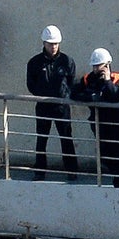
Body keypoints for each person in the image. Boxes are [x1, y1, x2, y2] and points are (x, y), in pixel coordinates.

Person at [26, 25, 78, 181]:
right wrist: (43, 94)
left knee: (66, 138)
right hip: (43, 106)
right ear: (44, 43)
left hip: (62, 107)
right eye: (50, 43)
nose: (53, 46)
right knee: (42, 139)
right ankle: (40, 171)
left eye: (55, 43)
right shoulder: (34, 63)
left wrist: (63, 96)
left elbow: (71, 82)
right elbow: (31, 84)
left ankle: (72, 170)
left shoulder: (67, 61)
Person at [72, 48, 119, 188]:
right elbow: (74, 93)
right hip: (98, 121)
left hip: (115, 122)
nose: (96, 69)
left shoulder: (117, 78)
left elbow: (115, 96)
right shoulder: (88, 79)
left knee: (117, 151)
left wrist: (107, 80)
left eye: (99, 65)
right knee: (104, 154)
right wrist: (91, 98)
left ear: (107, 65)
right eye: (94, 66)